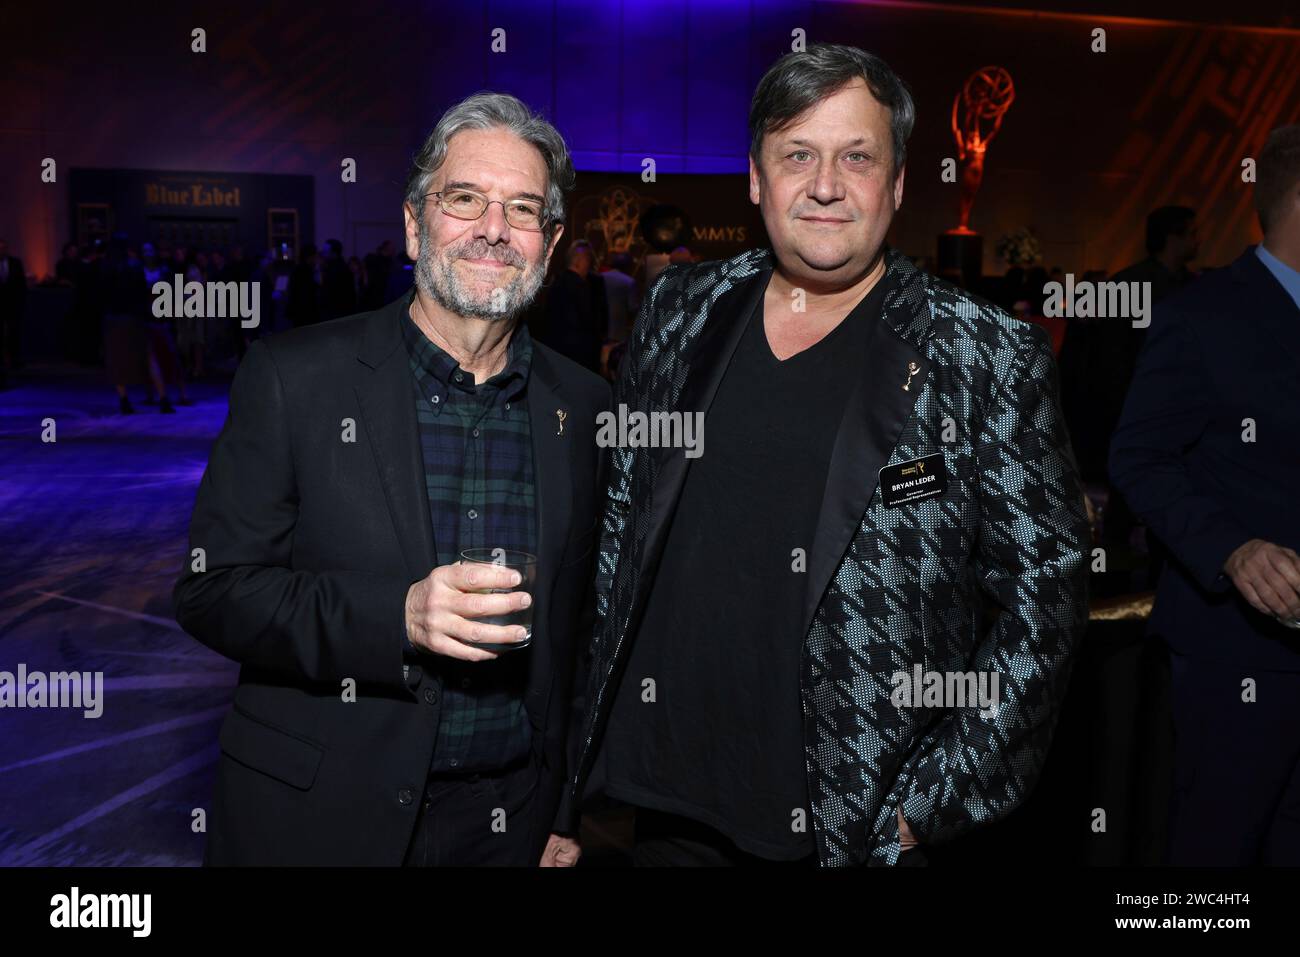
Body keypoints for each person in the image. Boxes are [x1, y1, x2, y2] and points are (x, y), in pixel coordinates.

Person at [559, 43, 1089, 867]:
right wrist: (574, 775)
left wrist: (929, 801)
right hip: (662, 797)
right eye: (797, 154)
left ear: (899, 183)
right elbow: (621, 530)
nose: (826, 185)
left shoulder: (984, 352)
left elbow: (1045, 599)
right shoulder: (680, 308)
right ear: (755, 179)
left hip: (852, 819)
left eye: (857, 157)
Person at [174, 91, 608, 867]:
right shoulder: (296, 378)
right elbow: (215, 589)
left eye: (522, 209)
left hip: (509, 827)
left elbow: (585, 637)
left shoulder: (585, 406)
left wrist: (563, 806)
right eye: (465, 198)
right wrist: (397, 617)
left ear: (551, 241)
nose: (492, 229)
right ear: (414, 224)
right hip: (320, 820)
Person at [1109, 124, 1300, 865]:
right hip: (1240, 654)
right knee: (1215, 853)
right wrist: (1232, 548)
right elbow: (1140, 455)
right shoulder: (1205, 314)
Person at [0, 239, 26, 389]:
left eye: (4, 248)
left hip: (12, 306)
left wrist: (20, 303)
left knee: (14, 333)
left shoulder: (16, 263)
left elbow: (21, 284)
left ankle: (15, 361)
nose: (2, 251)